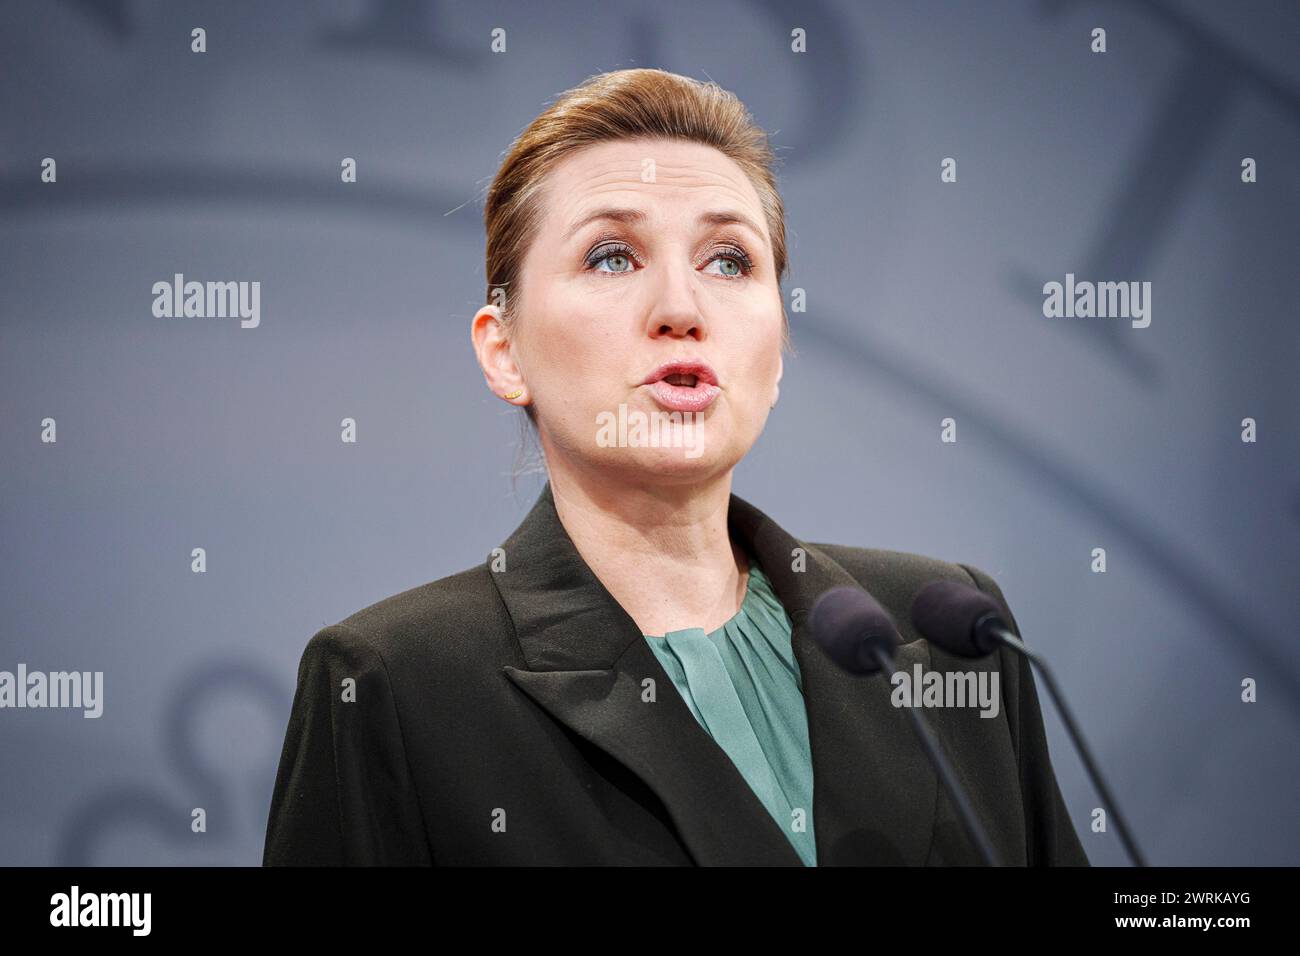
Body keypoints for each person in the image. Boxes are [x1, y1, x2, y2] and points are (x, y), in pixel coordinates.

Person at [262, 68, 1089, 866]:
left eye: (729, 260)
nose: (682, 310)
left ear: (779, 345)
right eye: (612, 257)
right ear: (503, 349)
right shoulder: (397, 684)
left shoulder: (950, 633)